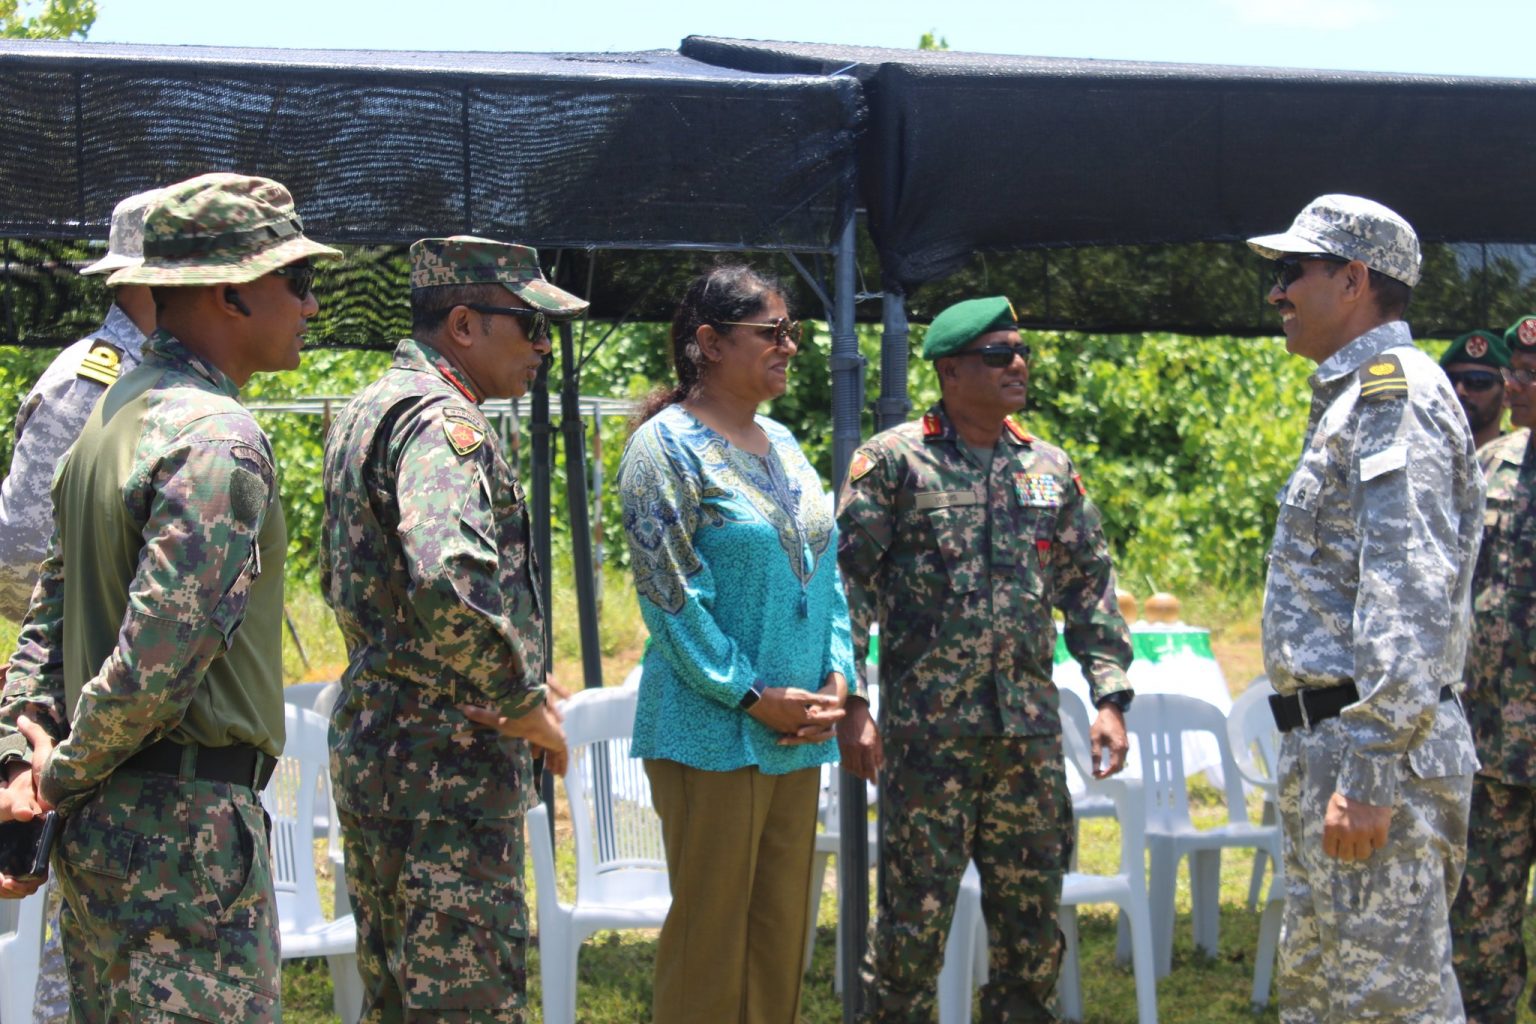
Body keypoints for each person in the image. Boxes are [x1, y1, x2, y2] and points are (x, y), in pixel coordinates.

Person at [0, 171, 340, 1020]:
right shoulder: (213, 436)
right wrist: (61, 771)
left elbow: (50, 609)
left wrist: (22, 754)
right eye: (296, 281)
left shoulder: (115, 415)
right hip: (182, 835)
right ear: (230, 291)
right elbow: (158, 658)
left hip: (113, 825)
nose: (310, 305)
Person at [836, 295, 1134, 1023]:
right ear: (950, 369)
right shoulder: (894, 463)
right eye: (999, 355)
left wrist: (1108, 699)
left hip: (1026, 744)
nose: (1019, 366)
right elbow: (846, 590)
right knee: (910, 939)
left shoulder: (1047, 467)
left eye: (1021, 352)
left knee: (1032, 941)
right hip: (929, 746)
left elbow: (1089, 587)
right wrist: (852, 705)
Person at [320, 235, 579, 1021]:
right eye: (530, 325)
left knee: (399, 996)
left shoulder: (376, 404)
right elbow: (448, 583)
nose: (543, 346)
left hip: (389, 744)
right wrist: (522, 697)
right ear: (463, 324)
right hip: (445, 762)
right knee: (465, 1001)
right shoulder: (442, 422)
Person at [1251, 194, 1482, 1024]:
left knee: (1389, 1008)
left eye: (1291, 271)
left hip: (1373, 752)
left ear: (1353, 280)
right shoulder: (1353, 399)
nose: (1277, 293)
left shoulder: (1398, 396)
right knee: (1327, 1003)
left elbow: (1407, 584)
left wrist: (1373, 762)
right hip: (1330, 745)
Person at [617, 263, 853, 1024]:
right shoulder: (665, 450)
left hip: (798, 728)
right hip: (713, 730)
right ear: (709, 344)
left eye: (792, 331)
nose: (790, 347)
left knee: (780, 937)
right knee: (710, 942)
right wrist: (752, 696)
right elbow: (671, 598)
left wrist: (840, 678)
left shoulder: (781, 440)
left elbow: (824, 572)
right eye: (771, 333)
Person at [0, 184, 163, 1024]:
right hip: (90, 715)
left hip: (145, 715)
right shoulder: (92, 381)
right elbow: (22, 552)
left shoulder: (166, 378)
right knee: (78, 975)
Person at [1449, 312, 1536, 1024]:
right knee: (1479, 935)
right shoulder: (1489, 467)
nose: (1517, 384)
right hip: (1493, 751)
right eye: (1519, 371)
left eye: (1533, 375)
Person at [1439, 328, 1509, 452]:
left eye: (1477, 381)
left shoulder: (1525, 465)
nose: (1459, 391)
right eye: (1450, 380)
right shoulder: (1423, 459)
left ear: (1507, 395)